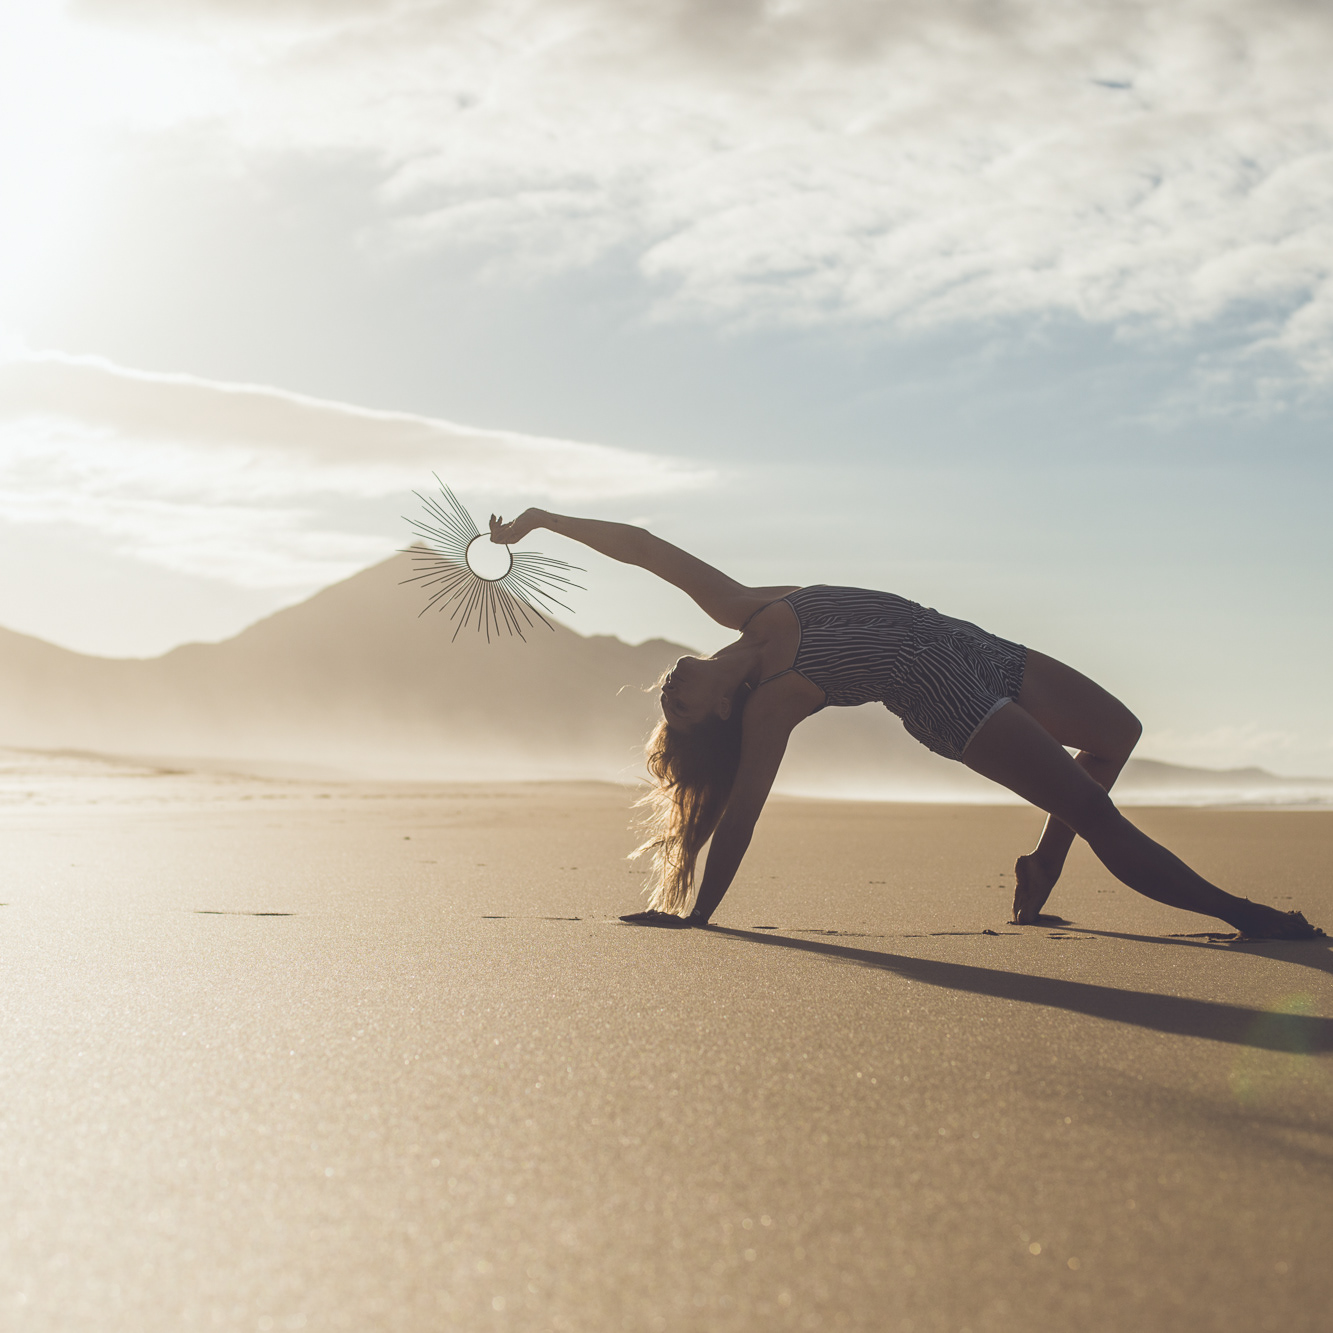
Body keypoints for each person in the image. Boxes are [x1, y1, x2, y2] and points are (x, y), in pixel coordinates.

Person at [488, 508, 1323, 939]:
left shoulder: (742, 609)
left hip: (968, 641)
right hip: (944, 696)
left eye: (666, 694)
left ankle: (1040, 864)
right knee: (1096, 810)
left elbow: (642, 546)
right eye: (675, 705)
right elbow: (739, 814)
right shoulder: (774, 703)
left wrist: (540, 521)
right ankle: (1244, 915)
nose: (667, 686)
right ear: (715, 711)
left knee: (1116, 731)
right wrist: (696, 912)